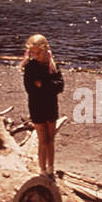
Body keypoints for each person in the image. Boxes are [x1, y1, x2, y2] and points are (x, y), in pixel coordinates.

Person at [21, 34, 63, 177]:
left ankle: (51, 168)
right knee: (42, 140)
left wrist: (43, 85)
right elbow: (30, 89)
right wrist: (47, 87)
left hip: (51, 105)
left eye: (37, 52)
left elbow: (60, 86)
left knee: (51, 139)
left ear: (45, 50)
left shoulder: (53, 65)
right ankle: (42, 170)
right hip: (36, 106)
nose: (35, 55)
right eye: (32, 53)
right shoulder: (30, 67)